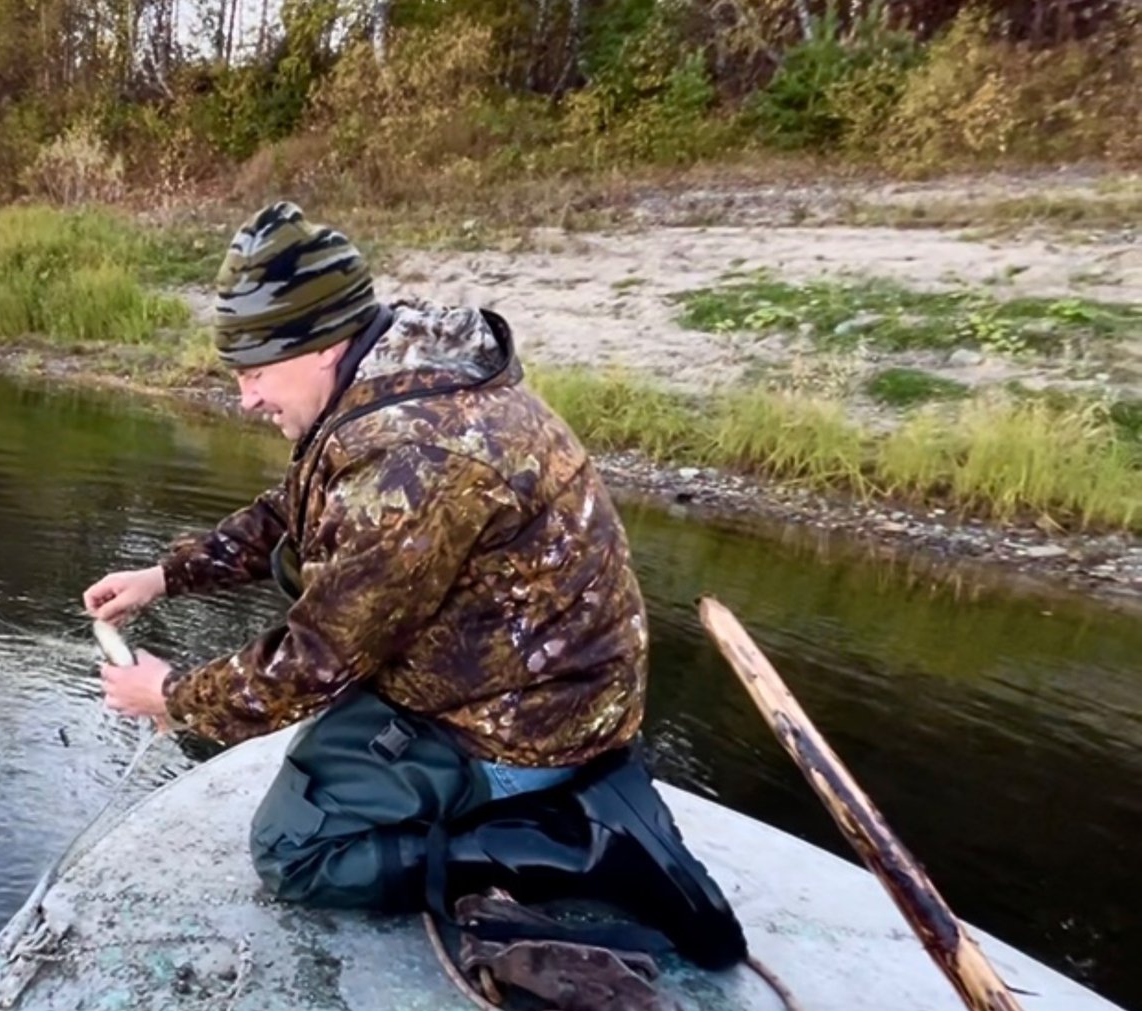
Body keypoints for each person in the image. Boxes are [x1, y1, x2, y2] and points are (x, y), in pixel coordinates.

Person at [82, 202, 746, 969]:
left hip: (529, 720)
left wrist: (173, 698)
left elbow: (314, 662)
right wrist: (167, 574)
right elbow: (300, 510)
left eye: (256, 372)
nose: (246, 398)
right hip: (531, 674)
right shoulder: (396, 377)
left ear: (323, 346)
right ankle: (567, 792)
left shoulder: (412, 457)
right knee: (306, 599)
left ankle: (578, 849)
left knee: (293, 850)